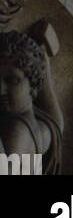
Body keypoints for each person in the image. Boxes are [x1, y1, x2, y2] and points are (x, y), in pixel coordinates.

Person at [0, 24, 63, 174]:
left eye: (12, 80)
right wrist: (43, 61)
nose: (0, 89)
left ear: (32, 86)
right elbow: (57, 123)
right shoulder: (44, 129)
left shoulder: (16, 131)